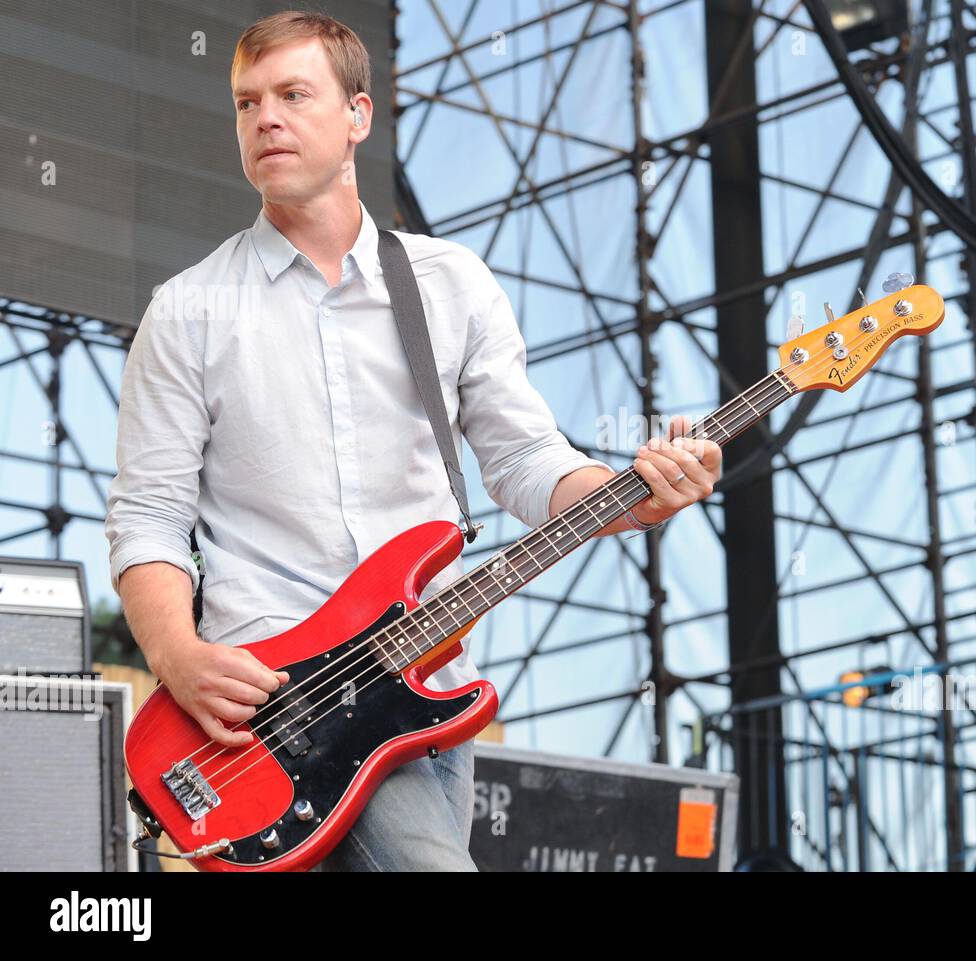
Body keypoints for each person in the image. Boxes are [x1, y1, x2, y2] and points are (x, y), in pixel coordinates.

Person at [104, 10, 722, 871]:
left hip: (414, 699)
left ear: (358, 116)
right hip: (261, 713)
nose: (265, 120)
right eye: (247, 103)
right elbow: (149, 519)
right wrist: (177, 656)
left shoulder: (448, 283)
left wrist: (634, 498)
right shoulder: (189, 310)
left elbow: (524, 460)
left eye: (292, 95)